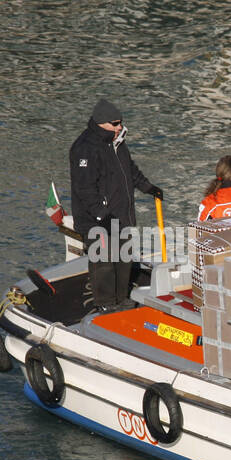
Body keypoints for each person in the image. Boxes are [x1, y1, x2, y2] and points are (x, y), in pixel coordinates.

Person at [68, 99, 162, 311]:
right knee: (104, 264)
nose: (119, 126)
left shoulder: (117, 141)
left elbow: (129, 169)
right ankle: (105, 305)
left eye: (120, 122)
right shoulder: (84, 149)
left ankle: (121, 300)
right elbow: (85, 189)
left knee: (123, 260)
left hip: (121, 214)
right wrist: (102, 215)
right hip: (97, 220)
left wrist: (148, 187)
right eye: (115, 123)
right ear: (101, 123)